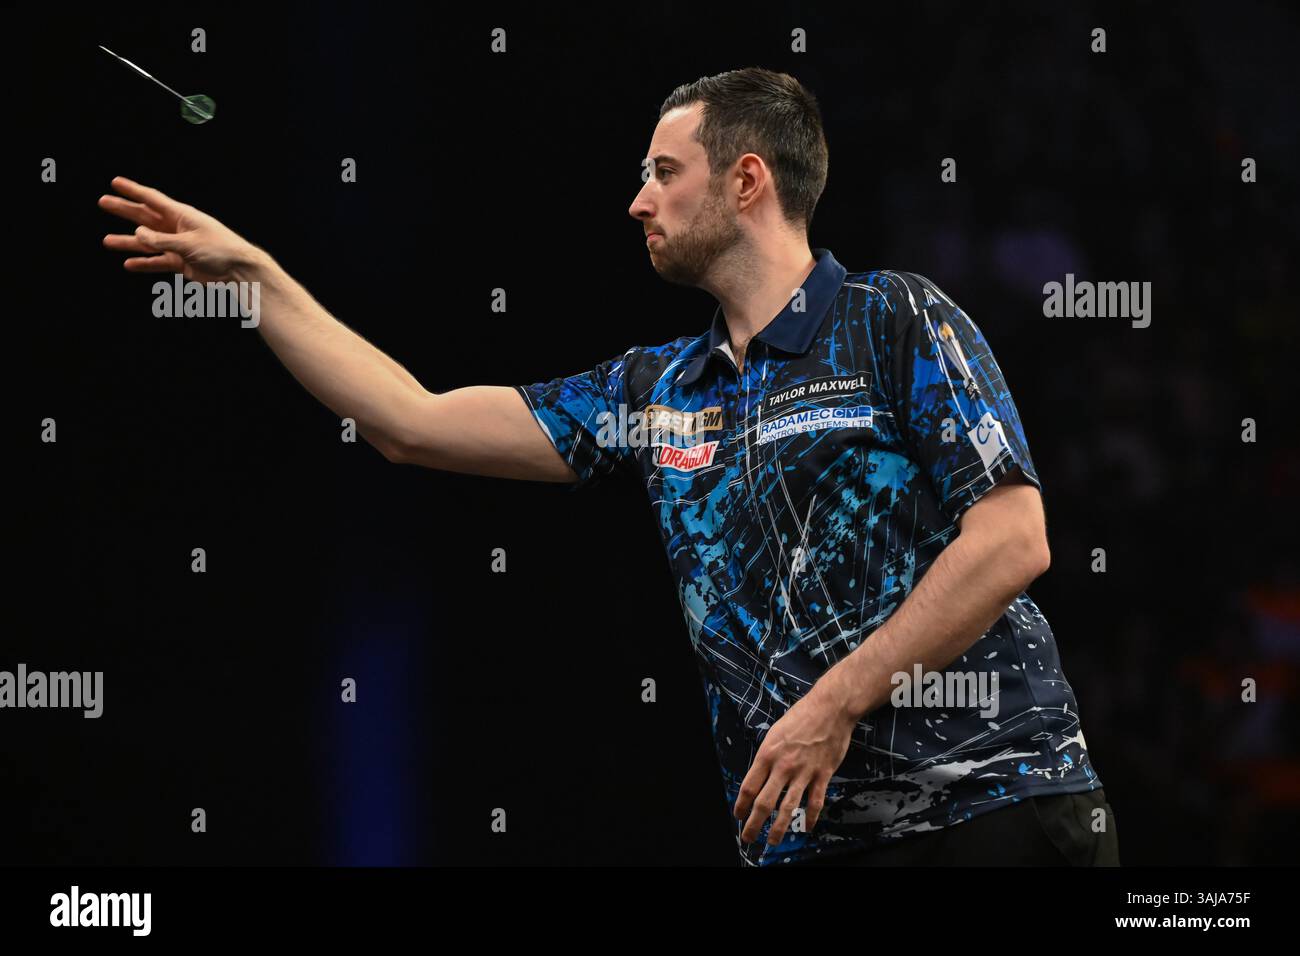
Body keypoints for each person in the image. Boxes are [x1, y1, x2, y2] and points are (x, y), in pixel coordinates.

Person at [99, 67, 1117, 867]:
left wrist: (836, 701)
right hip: (814, 839)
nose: (636, 201)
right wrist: (257, 278)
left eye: (662, 172)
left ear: (747, 178)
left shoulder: (895, 319)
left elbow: (1012, 541)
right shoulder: (654, 391)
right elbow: (411, 420)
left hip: (995, 807)